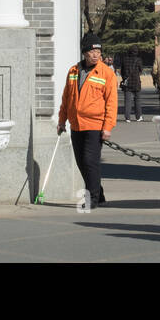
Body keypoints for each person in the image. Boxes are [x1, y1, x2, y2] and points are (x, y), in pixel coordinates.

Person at [57, 33, 118, 209]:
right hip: (76, 124)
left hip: (95, 125)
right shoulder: (73, 71)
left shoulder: (106, 73)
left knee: (90, 161)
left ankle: (92, 199)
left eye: (98, 51)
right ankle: (99, 192)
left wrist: (107, 127)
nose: (96, 55)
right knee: (81, 162)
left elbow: (111, 102)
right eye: (92, 51)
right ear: (84, 52)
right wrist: (62, 120)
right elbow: (66, 98)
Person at [119, 48, 144, 122]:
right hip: (136, 82)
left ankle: (127, 117)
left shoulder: (124, 60)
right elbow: (140, 70)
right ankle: (138, 117)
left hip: (127, 82)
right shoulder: (138, 60)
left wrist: (124, 78)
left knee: (127, 100)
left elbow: (122, 71)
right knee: (137, 100)